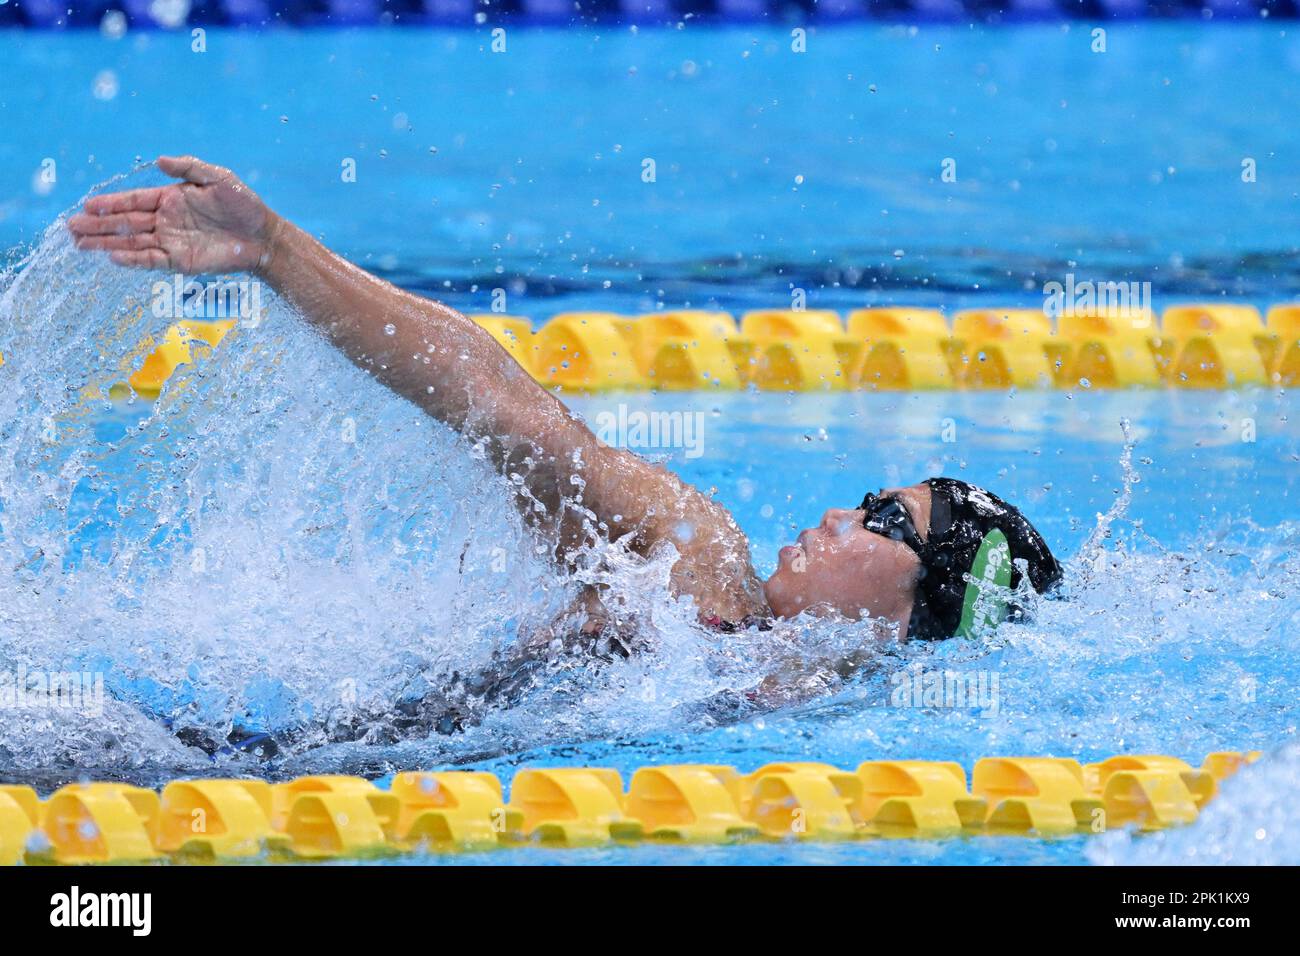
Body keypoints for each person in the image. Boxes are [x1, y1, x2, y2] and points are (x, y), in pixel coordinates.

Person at [68, 156, 1063, 741]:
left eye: (888, 521)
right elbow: (507, 410)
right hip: (248, 768)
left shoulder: (819, 727)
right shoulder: (698, 562)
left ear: (920, 610)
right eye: (868, 495)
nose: (844, 513)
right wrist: (277, 252)